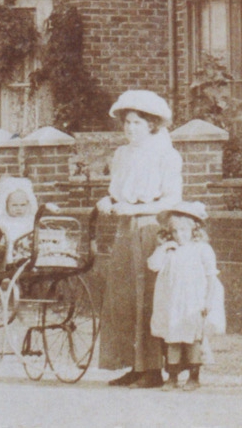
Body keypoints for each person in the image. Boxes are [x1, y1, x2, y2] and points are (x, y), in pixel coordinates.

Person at [97, 89, 182, 387]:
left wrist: (135, 209)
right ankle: (134, 365)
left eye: (137, 123)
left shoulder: (166, 155)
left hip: (151, 230)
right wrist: (108, 200)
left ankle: (153, 369)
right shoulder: (122, 155)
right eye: (127, 122)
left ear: (152, 125)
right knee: (124, 297)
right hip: (126, 230)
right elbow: (119, 191)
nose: (130, 128)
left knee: (149, 297)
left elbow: (172, 200)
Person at [147, 200, 224, 391]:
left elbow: (211, 276)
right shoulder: (170, 250)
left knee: (192, 339)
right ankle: (172, 377)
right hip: (171, 301)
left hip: (193, 301)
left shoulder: (202, 249)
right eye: (174, 231)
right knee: (172, 337)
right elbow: (153, 265)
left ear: (193, 230)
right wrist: (163, 247)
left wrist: (208, 300)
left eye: (183, 230)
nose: (179, 235)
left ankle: (194, 377)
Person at [0, 176, 37, 267]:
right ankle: (13, 261)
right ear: (6, 205)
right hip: (10, 252)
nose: (19, 208)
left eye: (22, 205)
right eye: (14, 205)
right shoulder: (4, 220)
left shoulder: (29, 220)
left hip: (28, 250)